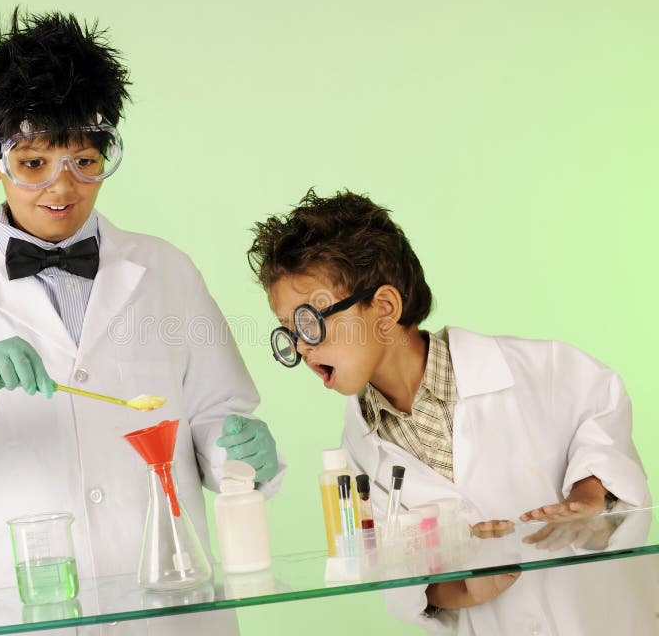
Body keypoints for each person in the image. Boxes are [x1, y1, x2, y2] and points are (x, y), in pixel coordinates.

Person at [0, 9, 283, 636]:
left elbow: (217, 415)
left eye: (85, 161)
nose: (62, 188)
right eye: (33, 164)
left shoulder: (166, 270)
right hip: (34, 614)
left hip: (173, 609)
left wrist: (238, 449)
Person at [247, 189, 657, 635]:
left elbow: (600, 418)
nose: (302, 346)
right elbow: (403, 577)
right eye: (289, 331)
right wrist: (468, 589)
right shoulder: (358, 453)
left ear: (384, 308)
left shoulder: (544, 369)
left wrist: (589, 501)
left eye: (310, 320)